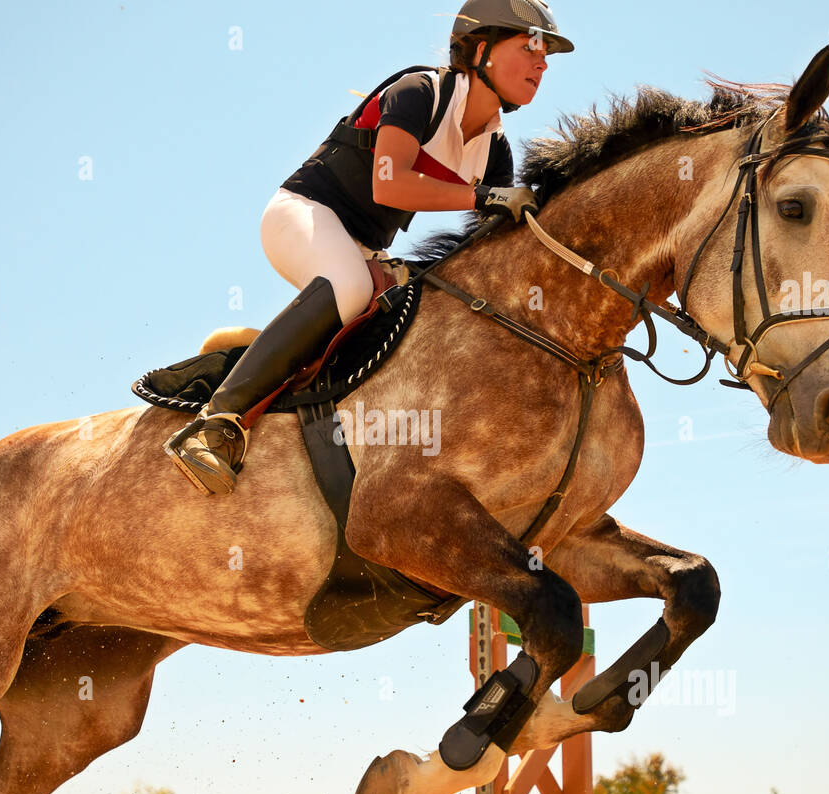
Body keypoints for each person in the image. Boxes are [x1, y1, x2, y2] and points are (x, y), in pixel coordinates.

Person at [166, 0, 574, 496]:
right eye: (531, 45)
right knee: (350, 285)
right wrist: (485, 196)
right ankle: (216, 423)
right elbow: (389, 185)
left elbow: (491, 254)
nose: (543, 62)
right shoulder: (420, 92)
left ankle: (268, 362)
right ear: (482, 49)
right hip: (304, 213)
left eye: (548, 52)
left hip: (364, 248)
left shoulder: (496, 151)